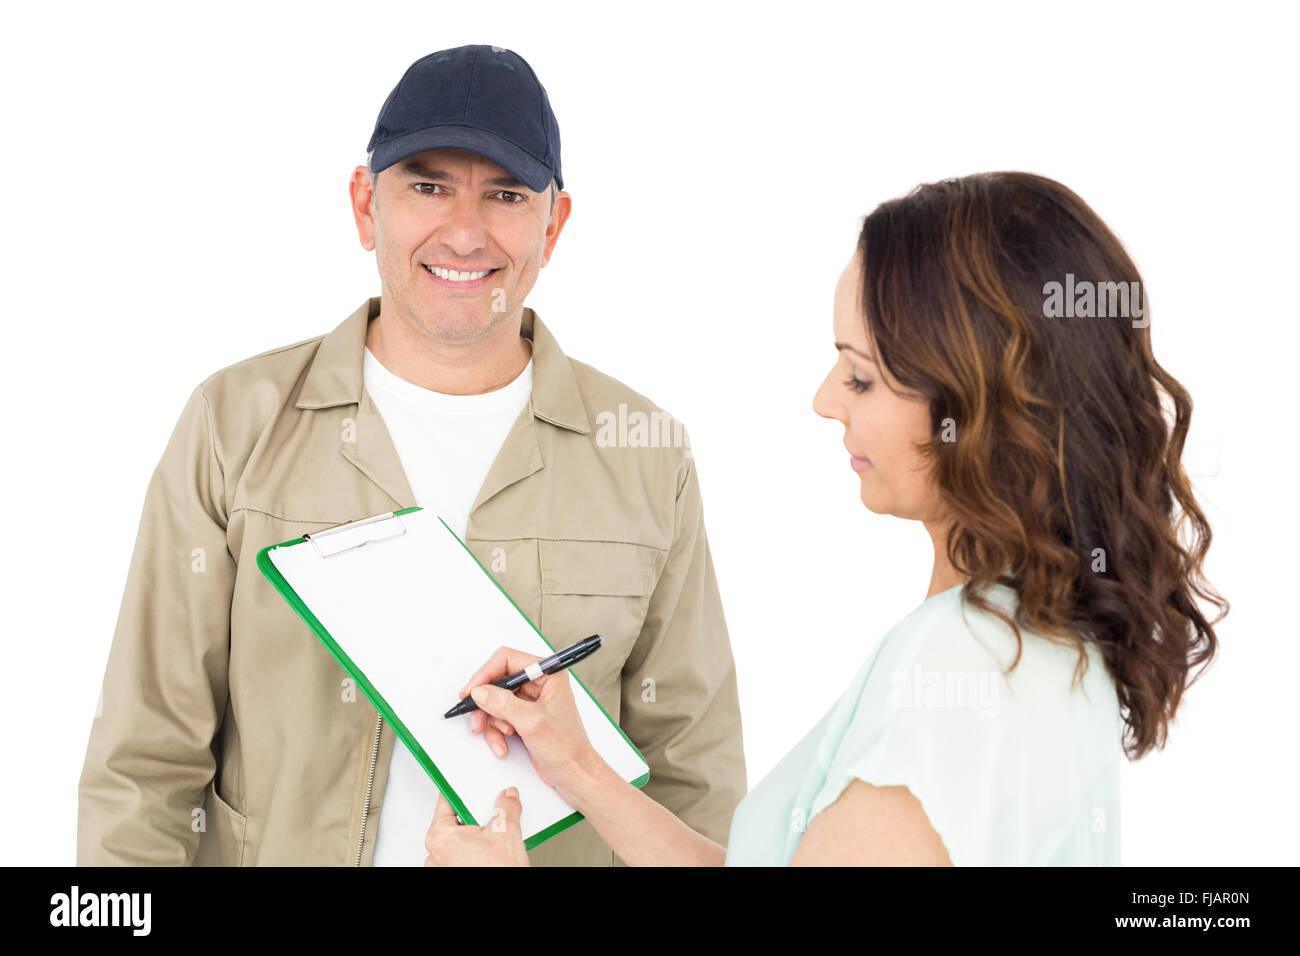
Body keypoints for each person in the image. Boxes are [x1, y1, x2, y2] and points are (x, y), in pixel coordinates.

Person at [424, 171, 1228, 866]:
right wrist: (580, 769)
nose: (823, 401)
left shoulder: (966, 663)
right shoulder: (1039, 635)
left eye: (863, 379)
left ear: (983, 409)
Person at [76, 44, 747, 866]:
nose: (464, 233)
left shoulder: (645, 455)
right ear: (366, 206)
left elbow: (696, 782)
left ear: (554, 222)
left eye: (505, 194)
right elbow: (144, 764)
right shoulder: (235, 424)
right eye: (427, 186)